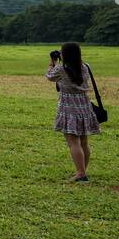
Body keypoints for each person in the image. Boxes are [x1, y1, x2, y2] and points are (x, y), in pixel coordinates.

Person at [46, 42, 99, 182]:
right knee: (84, 141)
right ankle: (82, 170)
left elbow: (49, 76)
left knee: (73, 141)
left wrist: (52, 62)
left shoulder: (62, 69)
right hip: (84, 105)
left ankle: (81, 174)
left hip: (69, 106)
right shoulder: (85, 67)